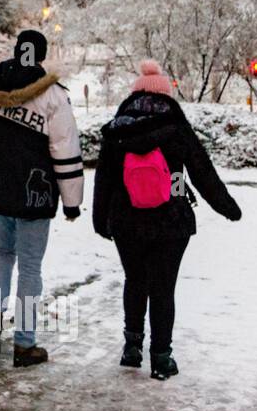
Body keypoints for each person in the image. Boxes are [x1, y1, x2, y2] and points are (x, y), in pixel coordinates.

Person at [92, 59, 242, 380]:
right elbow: (202, 170)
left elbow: (104, 176)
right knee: (163, 288)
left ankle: (131, 349)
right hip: (170, 220)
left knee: (135, 281)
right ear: (166, 94)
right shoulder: (176, 125)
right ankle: (161, 358)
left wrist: (99, 218)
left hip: (126, 218)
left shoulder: (118, 128)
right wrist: (227, 206)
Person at [0, 30, 83, 367]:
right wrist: (72, 201)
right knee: (30, 266)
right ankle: (25, 344)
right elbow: (65, 148)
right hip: (34, 193)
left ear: (16, 51)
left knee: (1, 253)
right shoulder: (53, 96)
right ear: (41, 56)